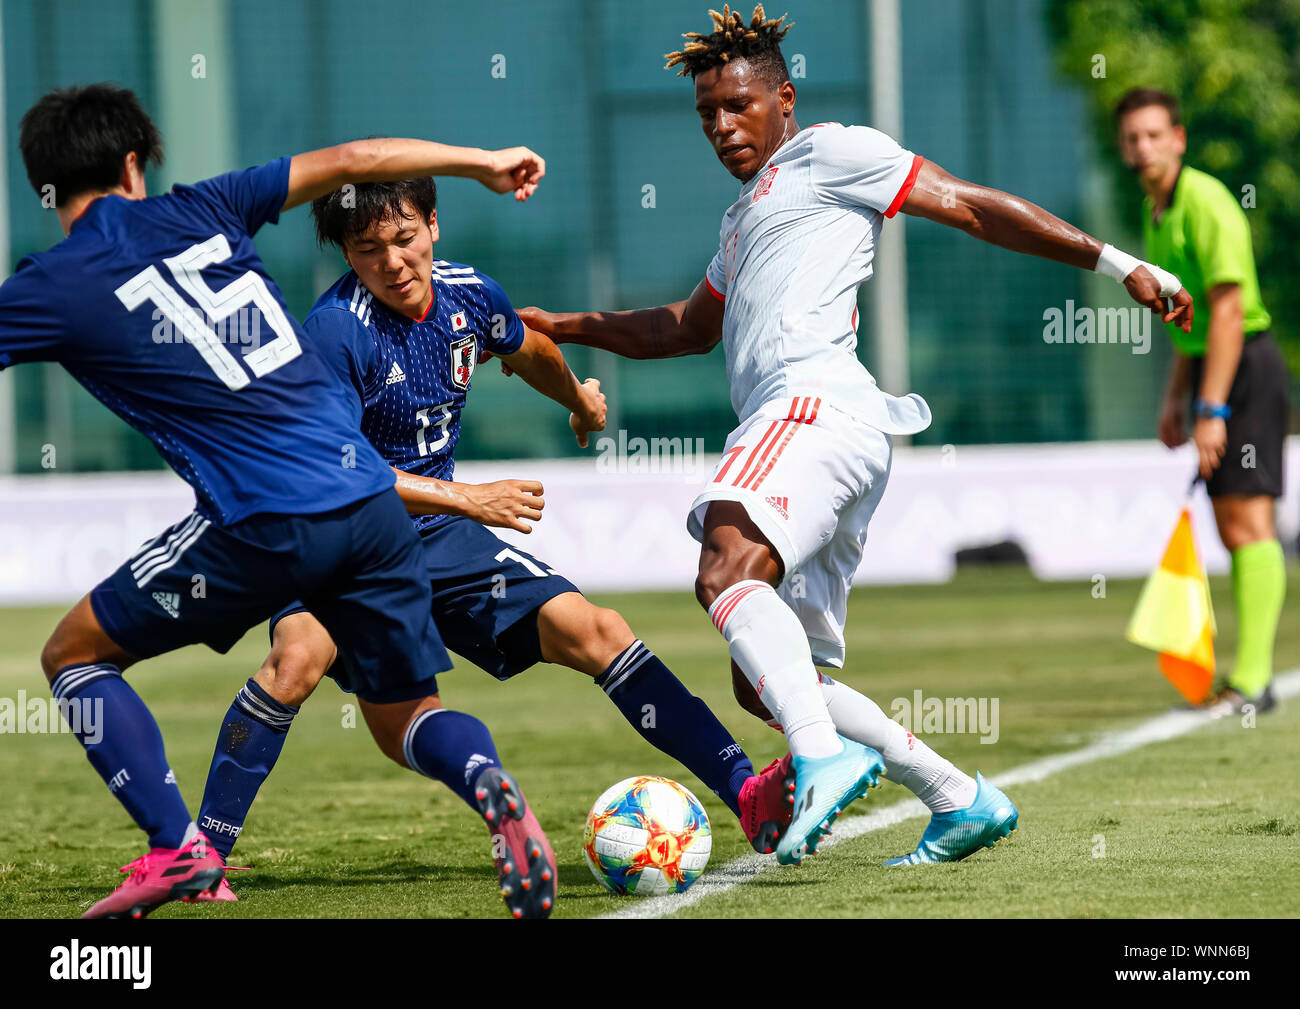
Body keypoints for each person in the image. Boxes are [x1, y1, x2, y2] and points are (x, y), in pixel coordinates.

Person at [518, 5, 1193, 866]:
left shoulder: (830, 152)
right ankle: (959, 795)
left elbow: (975, 208)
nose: (721, 126)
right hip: (828, 432)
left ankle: (823, 757)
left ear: (784, 100)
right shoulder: (742, 219)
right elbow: (685, 329)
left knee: (724, 562)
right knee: (762, 674)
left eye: (736, 105)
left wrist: (1120, 263)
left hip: (813, 406)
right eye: (706, 115)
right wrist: (565, 325)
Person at [3, 83, 556, 918]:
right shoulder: (208, 204)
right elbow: (359, 161)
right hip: (374, 502)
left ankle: (176, 849)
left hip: (265, 516)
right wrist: (480, 163)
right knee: (405, 713)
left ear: (44, 186)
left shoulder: (47, 284)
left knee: (74, 654)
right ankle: (488, 783)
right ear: (131, 165)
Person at [193, 178, 796, 903]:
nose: (392, 261)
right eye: (367, 249)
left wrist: (579, 401)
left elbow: (527, 343)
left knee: (598, 630)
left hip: (437, 535)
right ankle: (204, 854)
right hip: (330, 535)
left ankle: (746, 791)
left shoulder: (469, 294)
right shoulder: (334, 332)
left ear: (434, 224)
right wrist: (468, 497)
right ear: (347, 255)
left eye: (405, 236)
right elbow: (337, 469)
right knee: (296, 660)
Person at [1115, 87, 1288, 717]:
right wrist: (1175, 401)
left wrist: (1212, 410)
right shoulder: (1154, 212)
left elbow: (1230, 310)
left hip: (1247, 369)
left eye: (1155, 135)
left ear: (1179, 139)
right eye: (1133, 137)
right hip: (1214, 374)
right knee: (1231, 524)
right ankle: (1249, 679)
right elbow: (1183, 318)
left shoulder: (1208, 201)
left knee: (1249, 523)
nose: (1143, 148)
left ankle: (1255, 681)